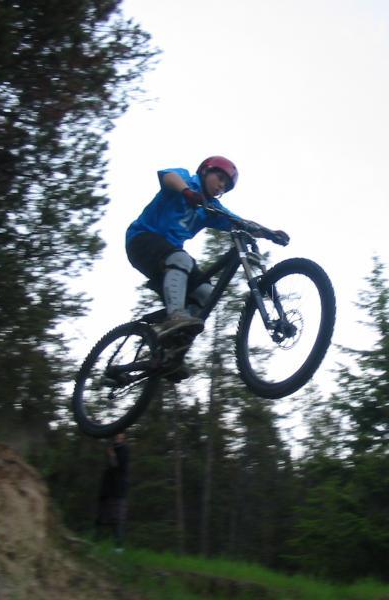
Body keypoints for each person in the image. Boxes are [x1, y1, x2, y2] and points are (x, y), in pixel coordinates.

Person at [125, 156, 288, 378]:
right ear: (204, 172)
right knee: (180, 259)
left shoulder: (211, 208)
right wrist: (186, 192)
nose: (221, 185)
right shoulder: (185, 179)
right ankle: (176, 317)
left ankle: (170, 353)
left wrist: (269, 233)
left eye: (226, 185)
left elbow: (241, 223)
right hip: (142, 240)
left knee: (205, 294)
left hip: (169, 255)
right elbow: (167, 177)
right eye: (219, 178)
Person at [95, 433, 130, 549]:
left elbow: (117, 466)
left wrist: (112, 455)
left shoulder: (124, 450)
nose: (117, 439)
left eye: (120, 437)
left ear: (123, 439)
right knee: (101, 519)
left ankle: (118, 548)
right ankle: (96, 545)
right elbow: (110, 466)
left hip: (118, 491)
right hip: (107, 491)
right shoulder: (112, 448)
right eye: (116, 437)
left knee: (117, 520)